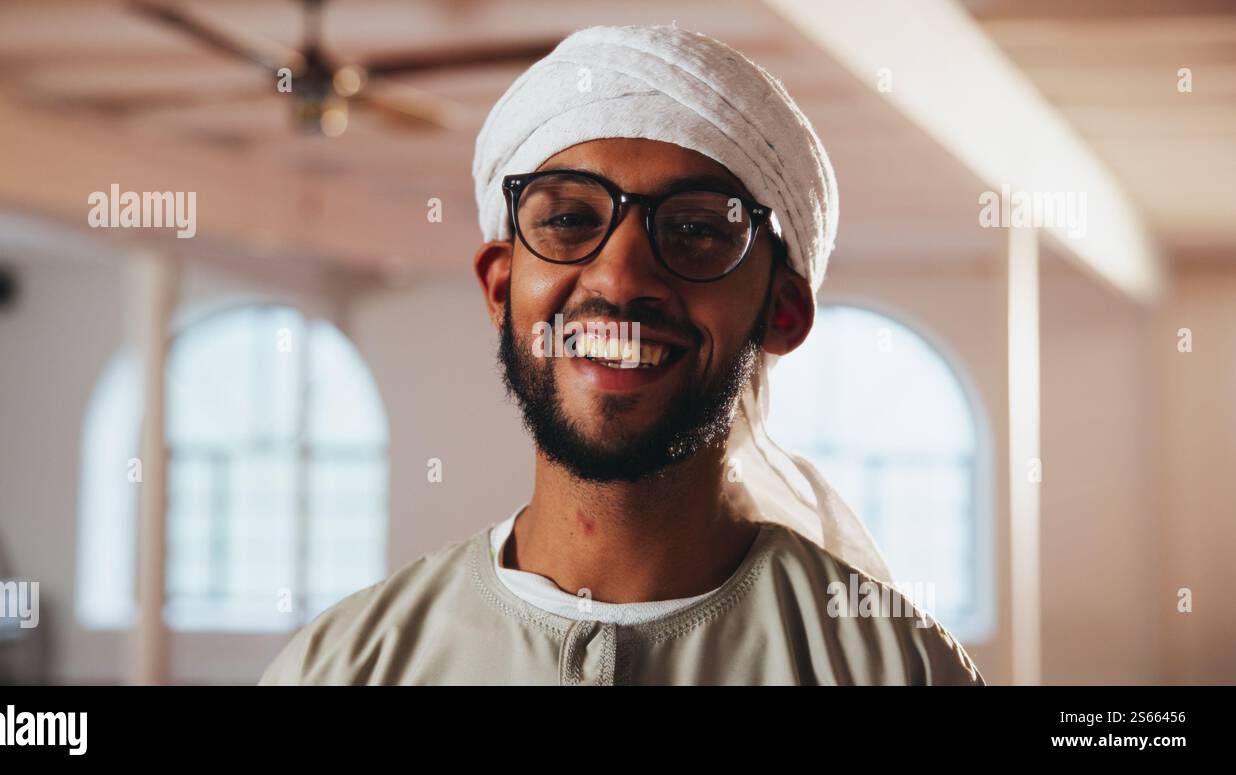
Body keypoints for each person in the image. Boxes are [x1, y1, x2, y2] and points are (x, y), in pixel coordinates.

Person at [259, 22, 985, 686]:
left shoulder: (893, 666)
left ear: (782, 311)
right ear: (501, 284)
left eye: (698, 229)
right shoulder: (344, 666)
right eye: (572, 219)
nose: (621, 277)